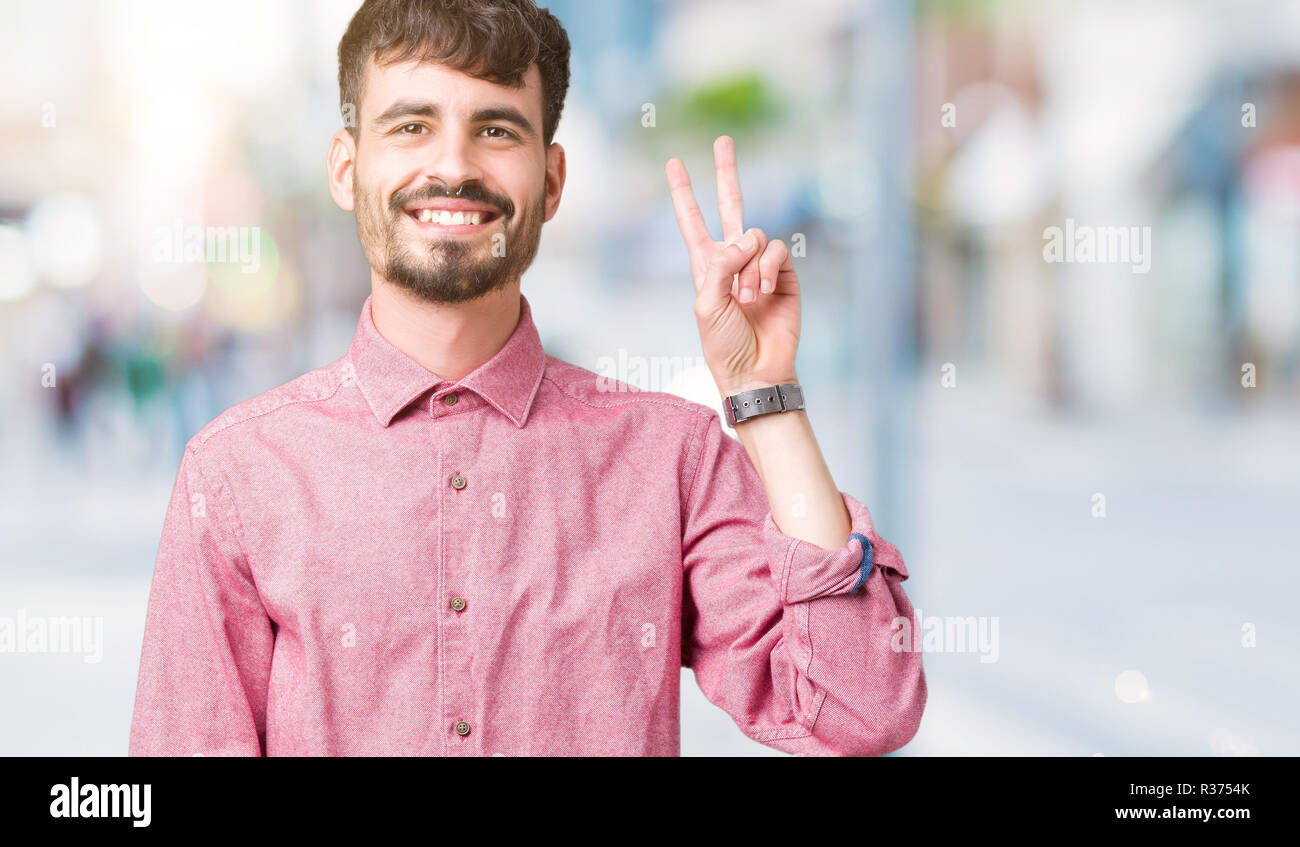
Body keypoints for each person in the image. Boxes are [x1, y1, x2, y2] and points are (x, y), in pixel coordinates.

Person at [128, 0, 926, 756]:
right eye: (411, 125)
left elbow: (862, 710)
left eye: (496, 130)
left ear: (550, 182)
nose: (453, 166)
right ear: (346, 168)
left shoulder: (668, 458)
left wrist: (765, 396)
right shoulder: (235, 476)